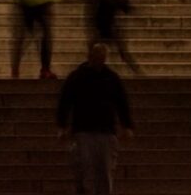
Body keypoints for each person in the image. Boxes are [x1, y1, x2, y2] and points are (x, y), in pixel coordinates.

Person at [56, 43, 134, 195]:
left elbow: (121, 101)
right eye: (97, 57)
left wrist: (127, 125)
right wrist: (62, 125)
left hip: (104, 130)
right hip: (84, 130)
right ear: (90, 57)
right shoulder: (78, 77)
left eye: (102, 58)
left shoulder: (111, 78)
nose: (100, 61)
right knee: (86, 170)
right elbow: (65, 101)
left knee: (104, 172)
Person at [84, 0, 141, 75]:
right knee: (92, 50)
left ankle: (138, 73)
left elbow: (125, 6)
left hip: (111, 26)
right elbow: (91, 10)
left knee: (124, 53)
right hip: (100, 26)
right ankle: (90, 73)